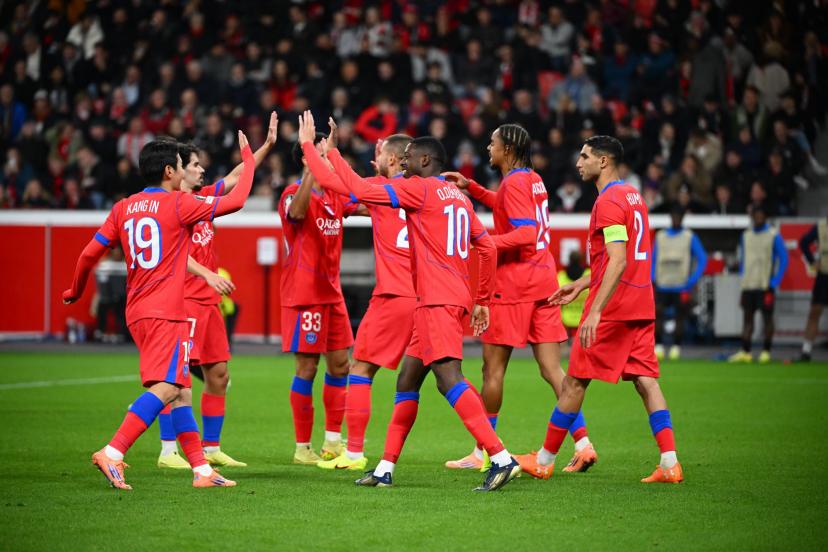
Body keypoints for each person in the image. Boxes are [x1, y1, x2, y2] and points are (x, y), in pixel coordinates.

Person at [300, 111, 520, 492]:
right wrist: (481, 298)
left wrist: (323, 150)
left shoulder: (419, 189)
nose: (403, 165)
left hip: (435, 299)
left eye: (408, 159)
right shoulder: (460, 199)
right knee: (407, 380)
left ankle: (500, 457)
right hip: (442, 298)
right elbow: (486, 246)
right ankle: (385, 468)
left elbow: (359, 188)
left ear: (425, 160)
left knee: (449, 379)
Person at [62, 134, 257, 490]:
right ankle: (113, 451)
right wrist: (248, 157)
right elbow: (238, 199)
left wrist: (74, 290)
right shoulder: (179, 204)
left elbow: (89, 254)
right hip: (167, 311)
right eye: (182, 166)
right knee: (168, 388)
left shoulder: (123, 207)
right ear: (169, 171)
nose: (184, 172)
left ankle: (201, 470)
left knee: (179, 389)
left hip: (137, 310)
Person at [442, 124, 598, 477]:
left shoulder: (513, 183)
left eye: (493, 143)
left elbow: (525, 233)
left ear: (508, 149)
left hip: (514, 287)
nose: (488, 148)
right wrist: (473, 188)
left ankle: (483, 452)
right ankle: (583, 444)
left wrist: (486, 242)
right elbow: (511, 209)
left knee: (492, 370)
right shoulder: (532, 179)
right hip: (543, 282)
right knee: (553, 370)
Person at [528, 135, 684, 484]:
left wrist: (596, 309)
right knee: (646, 381)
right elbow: (620, 259)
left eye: (584, 157)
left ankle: (543, 460)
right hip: (640, 302)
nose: (578, 163)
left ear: (603, 161)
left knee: (574, 381)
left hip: (615, 307)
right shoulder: (633, 196)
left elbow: (618, 259)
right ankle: (670, 463)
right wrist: (583, 283)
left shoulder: (609, 200)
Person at [155, 112, 278, 470]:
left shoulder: (203, 199)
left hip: (208, 303)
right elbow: (171, 256)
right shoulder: (171, 207)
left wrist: (266, 146)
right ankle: (168, 451)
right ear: (177, 170)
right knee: (175, 378)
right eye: (195, 165)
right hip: (184, 301)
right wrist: (208, 274)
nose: (201, 170)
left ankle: (211, 447)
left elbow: (238, 176)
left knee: (219, 374)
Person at [315, 130, 418, 471]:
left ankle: (355, 453)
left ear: (392, 159)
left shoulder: (379, 189)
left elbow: (335, 182)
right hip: (428, 297)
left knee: (360, 369)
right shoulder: (423, 191)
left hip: (394, 295)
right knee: (449, 378)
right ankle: (491, 451)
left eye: (382, 155)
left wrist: (316, 149)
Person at [278, 129, 359, 466]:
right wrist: (313, 168)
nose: (328, 160)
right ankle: (302, 447)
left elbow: (367, 203)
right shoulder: (293, 193)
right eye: (321, 154)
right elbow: (296, 214)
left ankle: (332, 442)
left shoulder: (336, 196)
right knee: (307, 367)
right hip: (304, 295)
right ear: (306, 157)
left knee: (341, 365)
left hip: (331, 294)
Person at [728, 205, 788, 363]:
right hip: (748, 284)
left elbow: (784, 259)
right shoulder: (745, 235)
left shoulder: (773, 235)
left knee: (767, 318)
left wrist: (775, 281)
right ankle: (745, 351)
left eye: (761, 215)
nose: (758, 217)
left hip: (765, 284)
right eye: (756, 215)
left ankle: (766, 351)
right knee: (747, 318)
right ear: (752, 217)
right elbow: (743, 258)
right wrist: (743, 275)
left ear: (765, 217)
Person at [652, 206, 707, 360]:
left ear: (682, 218)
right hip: (662, 284)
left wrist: (692, 280)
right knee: (657, 315)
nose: (676, 219)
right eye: (674, 216)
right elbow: (653, 258)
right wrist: (653, 278)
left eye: (678, 217)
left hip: (681, 285)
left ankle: (676, 347)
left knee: (680, 316)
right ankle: (659, 346)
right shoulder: (660, 236)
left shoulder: (689, 237)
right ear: (670, 217)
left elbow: (702, 259)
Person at [798, 218, 828, 362]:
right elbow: (803, 242)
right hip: (824, 275)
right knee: (814, 312)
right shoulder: (821, 226)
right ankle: (806, 351)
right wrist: (812, 261)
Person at [558, 250, 590, 336]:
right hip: (584, 319)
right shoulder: (589, 275)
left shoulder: (560, 276)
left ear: (569, 259)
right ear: (581, 260)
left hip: (565, 320)